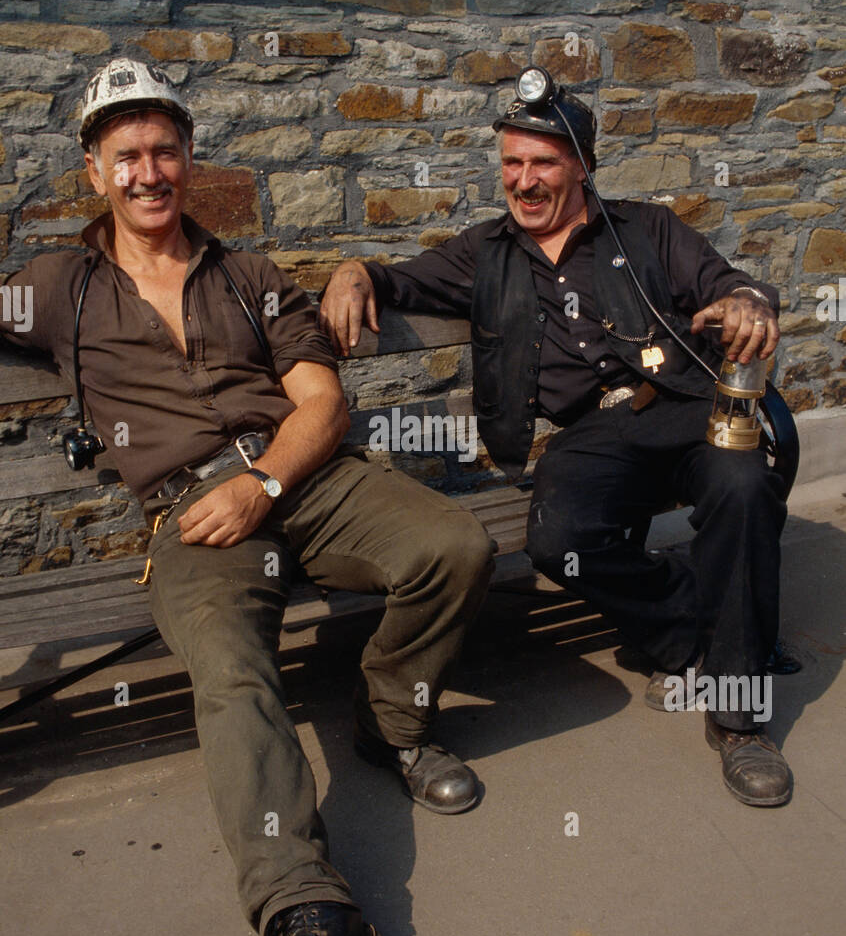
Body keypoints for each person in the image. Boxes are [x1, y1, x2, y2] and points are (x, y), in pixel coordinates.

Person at [0, 58, 494, 936]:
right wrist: (219, 499)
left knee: (457, 544)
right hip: (188, 519)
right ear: (95, 171)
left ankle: (391, 722)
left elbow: (323, 403)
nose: (150, 172)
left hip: (301, 479)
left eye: (166, 149)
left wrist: (262, 485)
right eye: (127, 154)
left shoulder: (249, 274)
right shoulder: (54, 289)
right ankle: (317, 929)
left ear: (190, 159)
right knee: (229, 673)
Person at [320, 74, 793, 808]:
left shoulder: (647, 228)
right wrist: (353, 272)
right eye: (512, 163)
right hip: (597, 433)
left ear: (581, 165)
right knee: (558, 537)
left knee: (743, 485)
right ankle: (691, 623)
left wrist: (746, 301)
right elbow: (397, 280)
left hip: (687, 407)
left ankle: (739, 720)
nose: (524, 179)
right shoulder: (487, 251)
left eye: (542, 163)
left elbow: (731, 283)